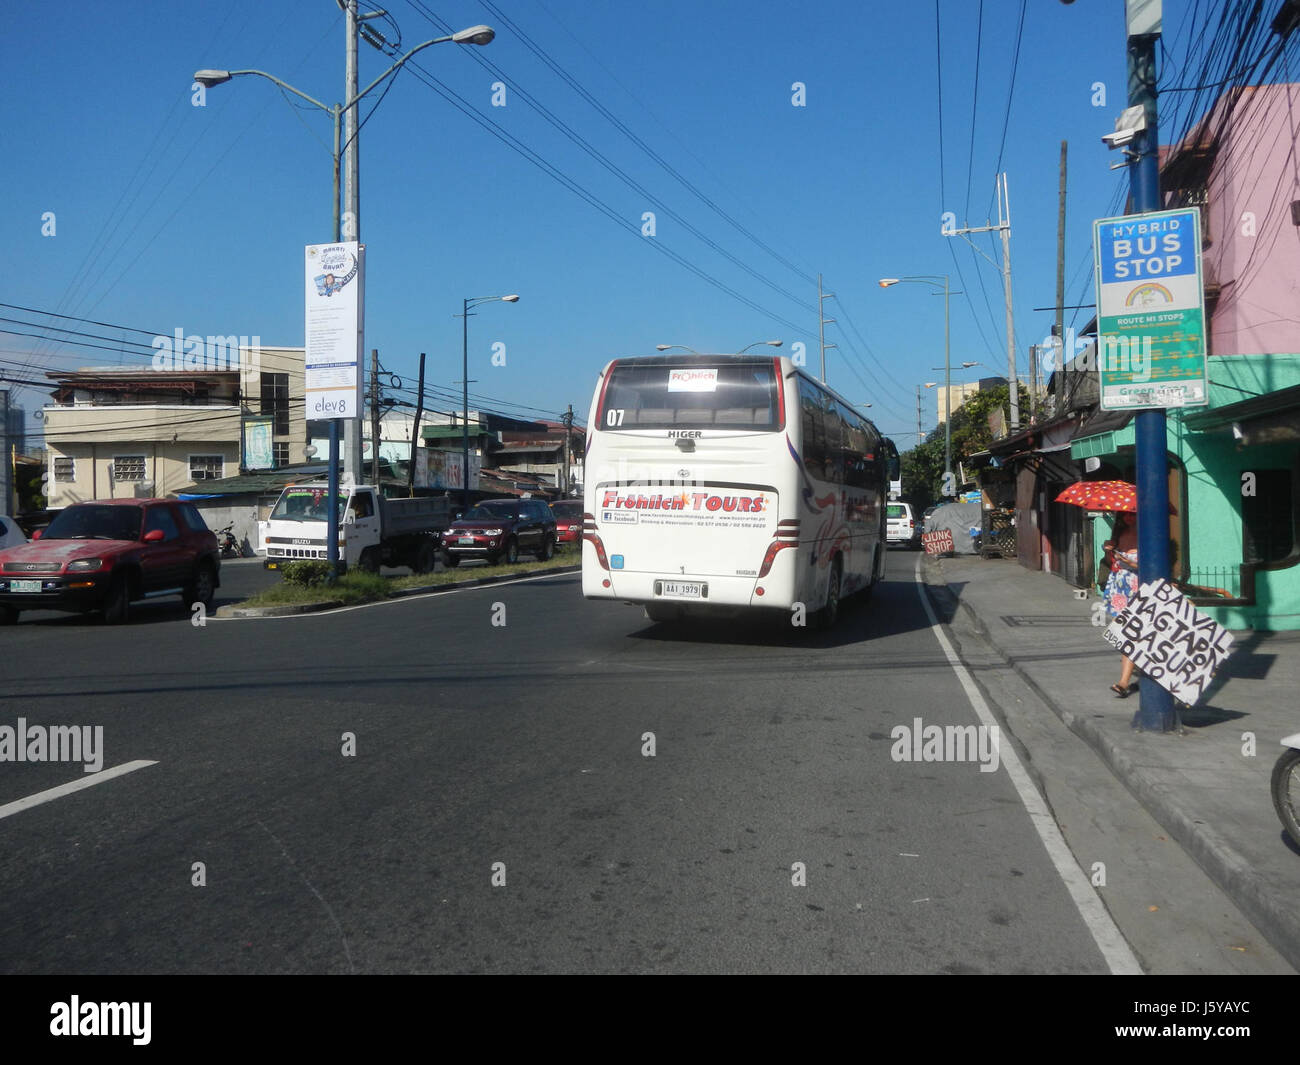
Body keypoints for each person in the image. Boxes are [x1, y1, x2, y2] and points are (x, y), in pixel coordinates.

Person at [1102, 512, 1140, 697]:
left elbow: (1152, 565)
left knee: (1132, 634)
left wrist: (1128, 562)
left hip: (1137, 587)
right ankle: (1128, 677)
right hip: (1120, 588)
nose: (1128, 518)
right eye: (1125, 515)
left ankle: (1124, 681)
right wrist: (1109, 550)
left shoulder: (1146, 534)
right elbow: (1111, 563)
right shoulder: (1119, 534)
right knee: (1126, 634)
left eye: (1132, 514)